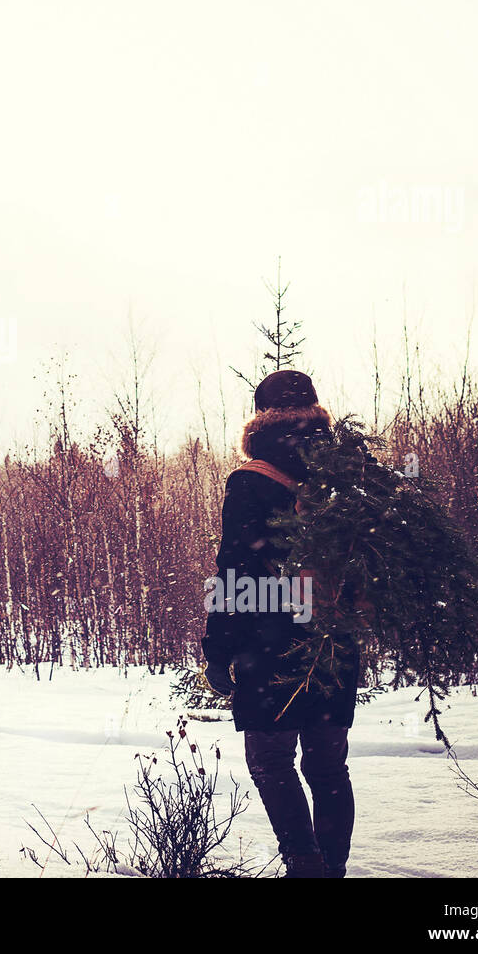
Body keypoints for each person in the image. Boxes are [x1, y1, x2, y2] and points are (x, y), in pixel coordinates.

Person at [201, 369, 360, 878]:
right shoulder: (349, 474)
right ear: (315, 410)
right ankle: (329, 869)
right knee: (328, 767)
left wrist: (218, 648)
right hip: (333, 638)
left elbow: (235, 570)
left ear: (259, 418)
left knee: (270, 762)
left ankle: (306, 867)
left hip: (267, 641)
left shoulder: (251, 481)